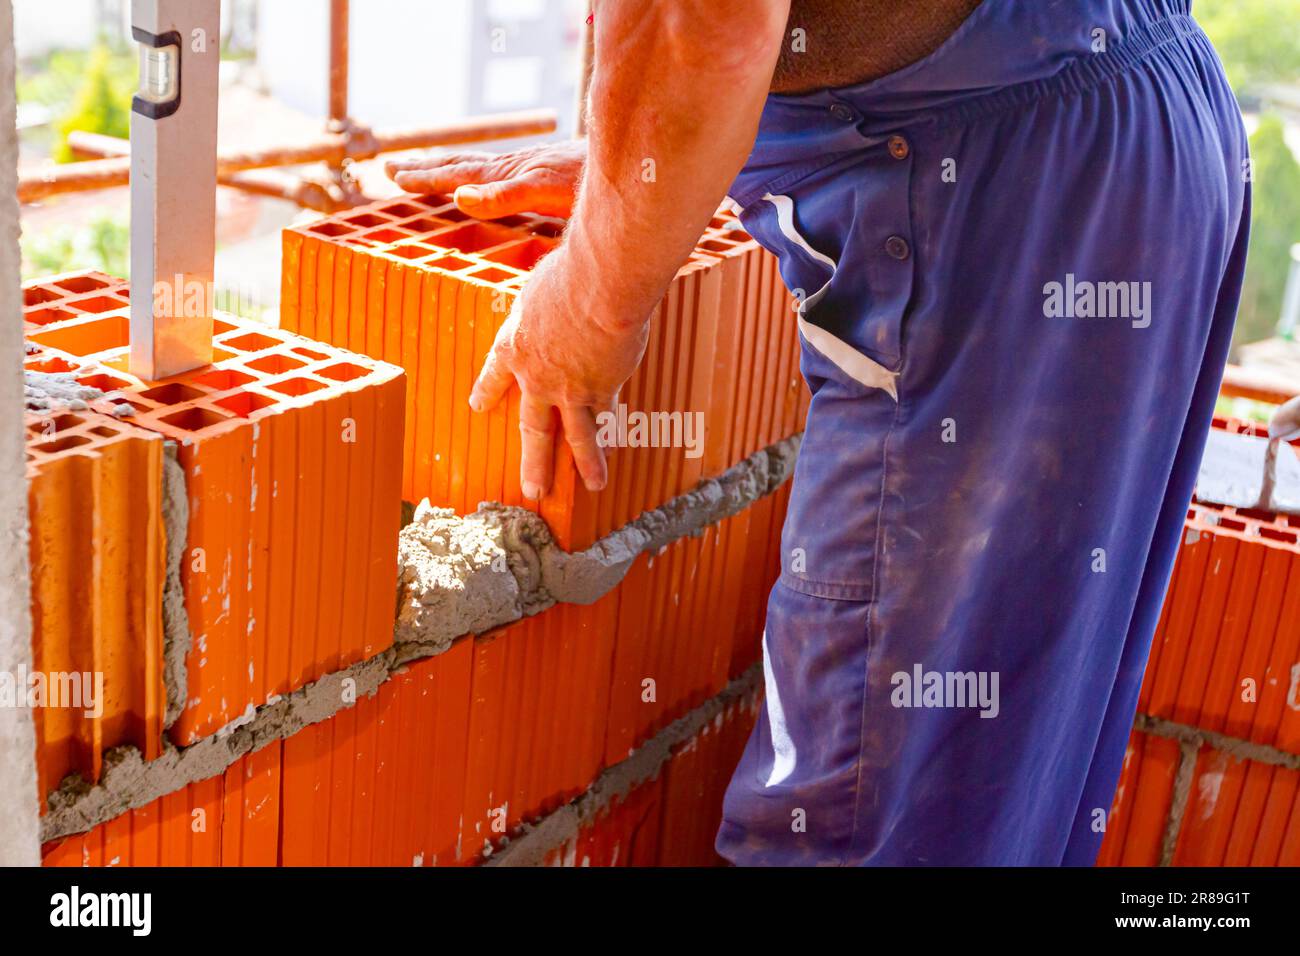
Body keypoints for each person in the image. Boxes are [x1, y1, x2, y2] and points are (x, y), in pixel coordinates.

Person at [387, 0, 1250, 866]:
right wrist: (654, 162)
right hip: (1114, 115)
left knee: (859, 818)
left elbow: (708, 16)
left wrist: (591, 295)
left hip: (994, 187)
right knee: (993, 788)